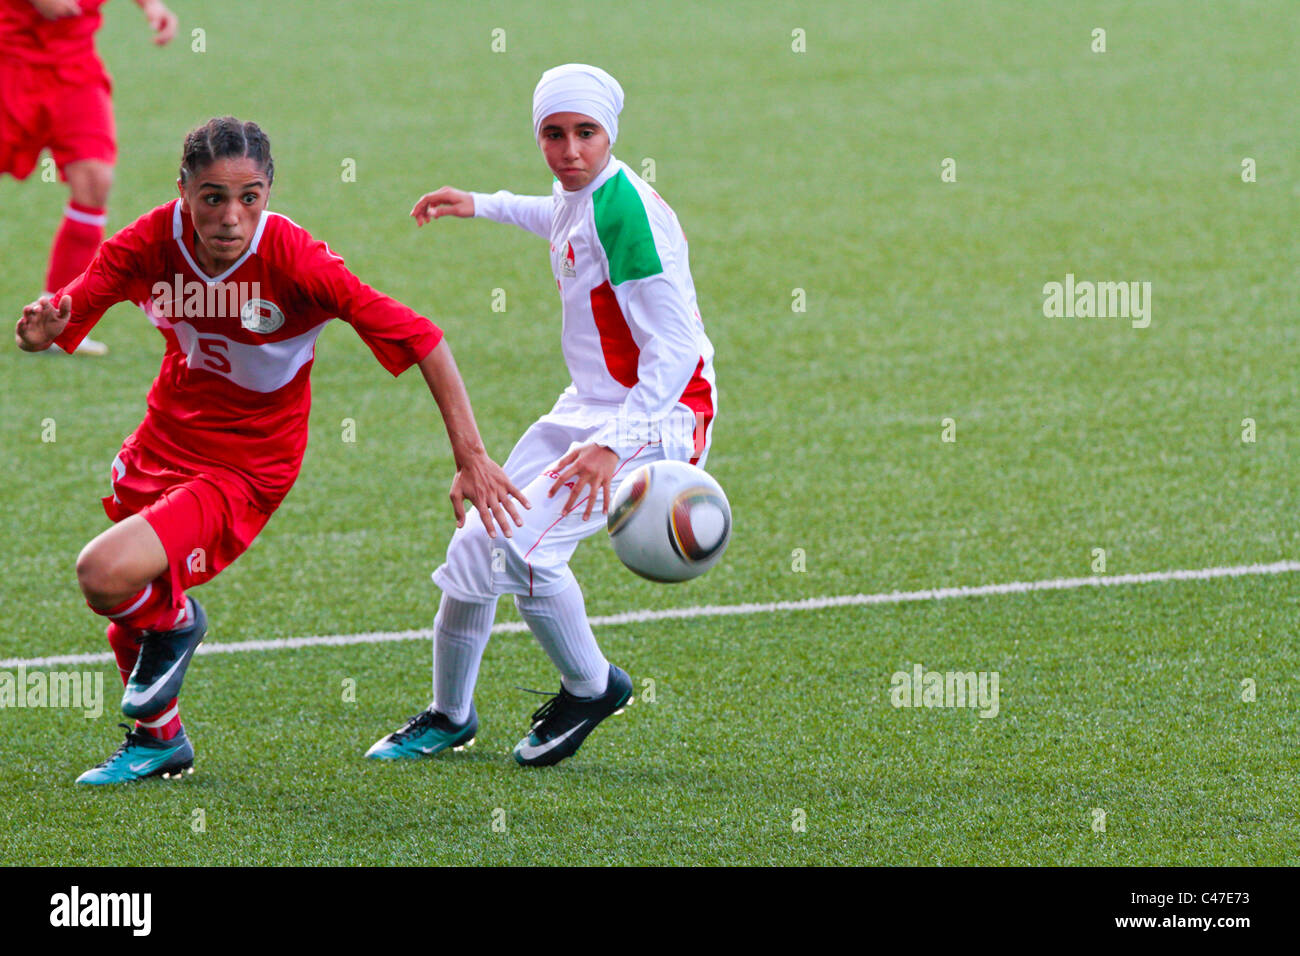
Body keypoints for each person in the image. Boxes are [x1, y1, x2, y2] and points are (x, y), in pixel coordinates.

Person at [15, 116, 528, 784]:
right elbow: (59, 319)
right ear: (184, 191)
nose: (231, 217)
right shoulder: (149, 240)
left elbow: (423, 337)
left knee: (104, 573)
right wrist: (40, 331)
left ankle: (178, 627)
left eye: (249, 197)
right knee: (128, 612)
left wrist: (472, 455)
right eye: (213, 197)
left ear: (267, 193)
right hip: (165, 438)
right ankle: (159, 741)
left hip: (247, 464)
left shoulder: (299, 263)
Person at [367, 64, 717, 767]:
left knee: (528, 548)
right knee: (478, 539)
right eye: (553, 134)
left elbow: (677, 350)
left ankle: (592, 687)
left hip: (661, 415)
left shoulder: (628, 215)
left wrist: (615, 445)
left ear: (611, 134)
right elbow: (553, 214)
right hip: (589, 407)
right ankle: (450, 714)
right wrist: (479, 202)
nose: (569, 151)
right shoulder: (580, 195)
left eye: (586, 134)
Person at [2, 0, 179, 356]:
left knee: (95, 180)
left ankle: (51, 317)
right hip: (10, 59)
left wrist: (152, 7)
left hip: (73, 67)